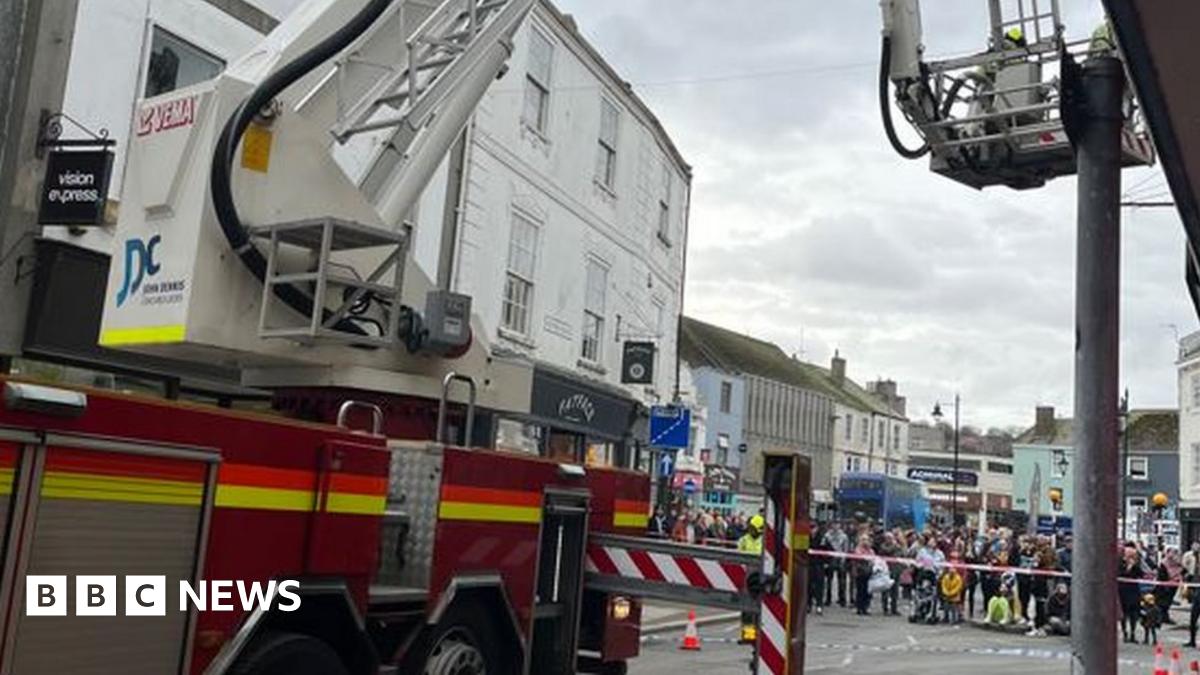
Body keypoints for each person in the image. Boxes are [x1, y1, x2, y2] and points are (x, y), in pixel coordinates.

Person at [1119, 545, 1144, 643]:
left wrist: (1134, 566)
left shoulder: (1136, 564)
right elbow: (1120, 574)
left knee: (1134, 613)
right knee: (1124, 613)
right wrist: (1128, 567)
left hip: (1133, 590)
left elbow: (1140, 574)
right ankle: (1125, 632)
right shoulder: (1120, 563)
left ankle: (1133, 633)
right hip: (1123, 590)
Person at [823, 522, 850, 607]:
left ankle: (842, 599)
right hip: (830, 559)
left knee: (842, 581)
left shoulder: (844, 536)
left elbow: (845, 548)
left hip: (840, 559)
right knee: (829, 581)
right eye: (834, 524)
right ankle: (828, 599)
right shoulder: (827, 535)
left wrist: (843, 559)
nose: (835, 526)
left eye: (837, 524)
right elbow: (824, 548)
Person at [877, 531, 903, 616]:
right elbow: (887, 551)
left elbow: (900, 554)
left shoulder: (897, 547)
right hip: (886, 571)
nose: (890, 540)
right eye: (888, 538)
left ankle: (894, 608)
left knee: (895, 591)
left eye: (891, 538)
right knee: (885, 590)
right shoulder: (883, 547)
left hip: (896, 570)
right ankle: (885, 609)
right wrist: (895, 547)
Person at [853, 534, 875, 616]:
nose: (865, 542)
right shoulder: (858, 549)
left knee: (868, 591)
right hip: (860, 572)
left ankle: (866, 607)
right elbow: (858, 558)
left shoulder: (871, 550)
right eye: (863, 540)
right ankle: (859, 608)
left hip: (869, 573)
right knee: (860, 590)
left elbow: (873, 559)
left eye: (866, 540)